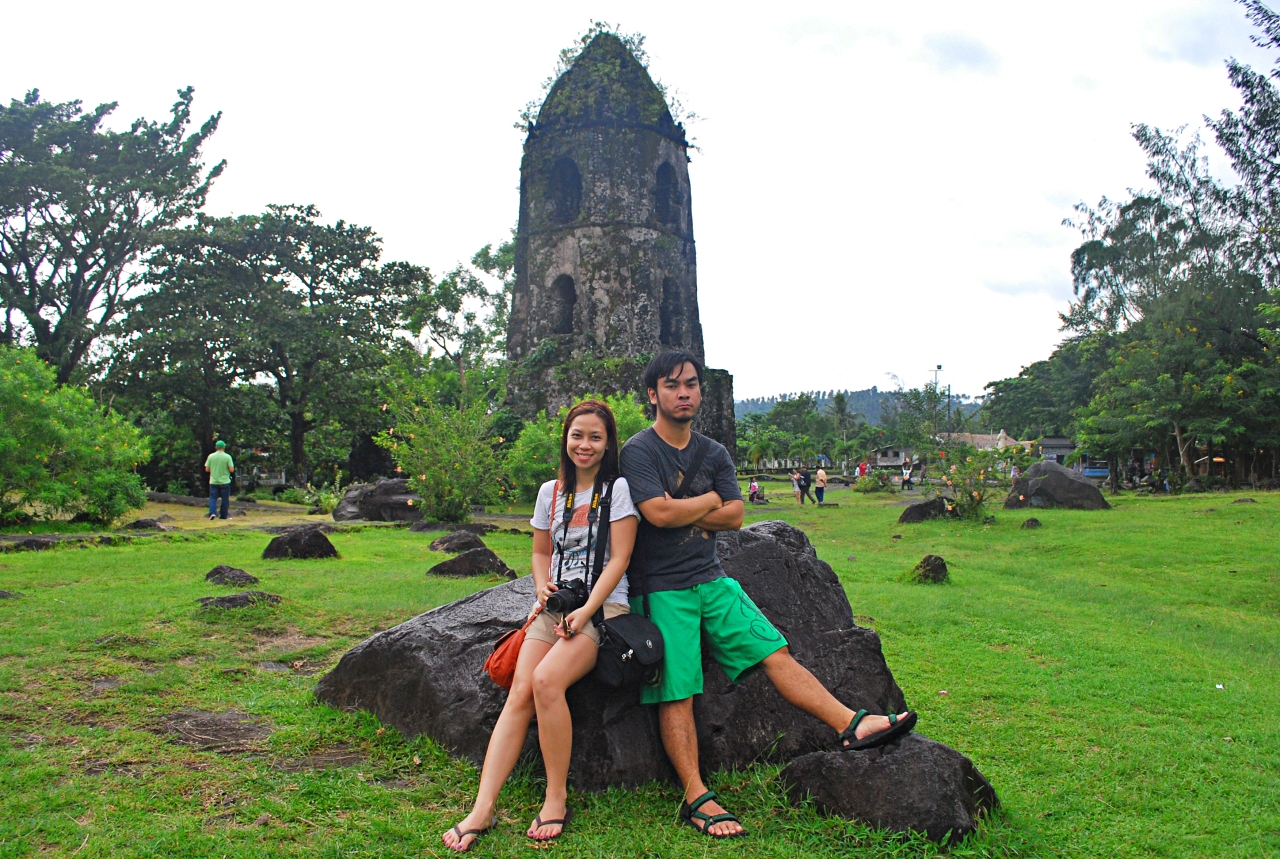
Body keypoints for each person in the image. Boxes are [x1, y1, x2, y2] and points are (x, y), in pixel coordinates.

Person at [620, 351, 915, 839]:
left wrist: (688, 506)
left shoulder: (714, 452)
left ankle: (851, 724)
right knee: (677, 690)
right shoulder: (639, 451)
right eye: (672, 385)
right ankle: (696, 795)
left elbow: (736, 516)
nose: (684, 393)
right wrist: (709, 501)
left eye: (691, 384)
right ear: (653, 394)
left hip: (713, 579)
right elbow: (657, 514)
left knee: (774, 651)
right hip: (662, 587)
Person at [442, 401, 639, 852]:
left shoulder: (617, 490)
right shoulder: (551, 491)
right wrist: (540, 588)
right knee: (521, 690)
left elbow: (621, 558)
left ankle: (556, 797)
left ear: (608, 443)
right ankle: (483, 807)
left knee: (547, 681)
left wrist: (586, 611)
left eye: (595, 437)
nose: (584, 445)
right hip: (554, 607)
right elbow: (540, 552)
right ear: (565, 438)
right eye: (577, 435)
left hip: (603, 609)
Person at [204, 440, 235, 520]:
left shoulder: (211, 456)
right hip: (225, 481)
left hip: (213, 481)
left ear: (216, 447)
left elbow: (207, 469)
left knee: (213, 498)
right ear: (224, 447)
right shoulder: (227, 457)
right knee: (225, 499)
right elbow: (231, 469)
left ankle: (212, 513)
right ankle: (223, 515)